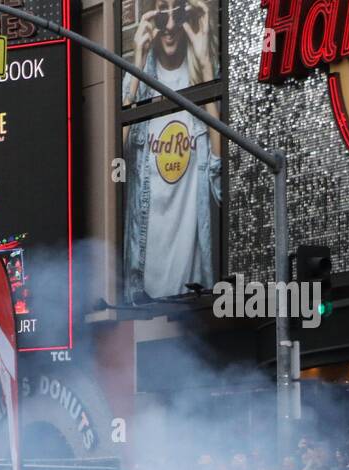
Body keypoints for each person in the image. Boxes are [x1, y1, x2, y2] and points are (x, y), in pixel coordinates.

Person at [122, 0, 220, 304]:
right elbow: (114, 163)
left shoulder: (206, 79)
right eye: (161, 13)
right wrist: (137, 64)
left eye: (176, 12)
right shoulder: (137, 85)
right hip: (143, 289)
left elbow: (222, 183)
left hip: (194, 289)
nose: (168, 26)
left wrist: (206, 68)